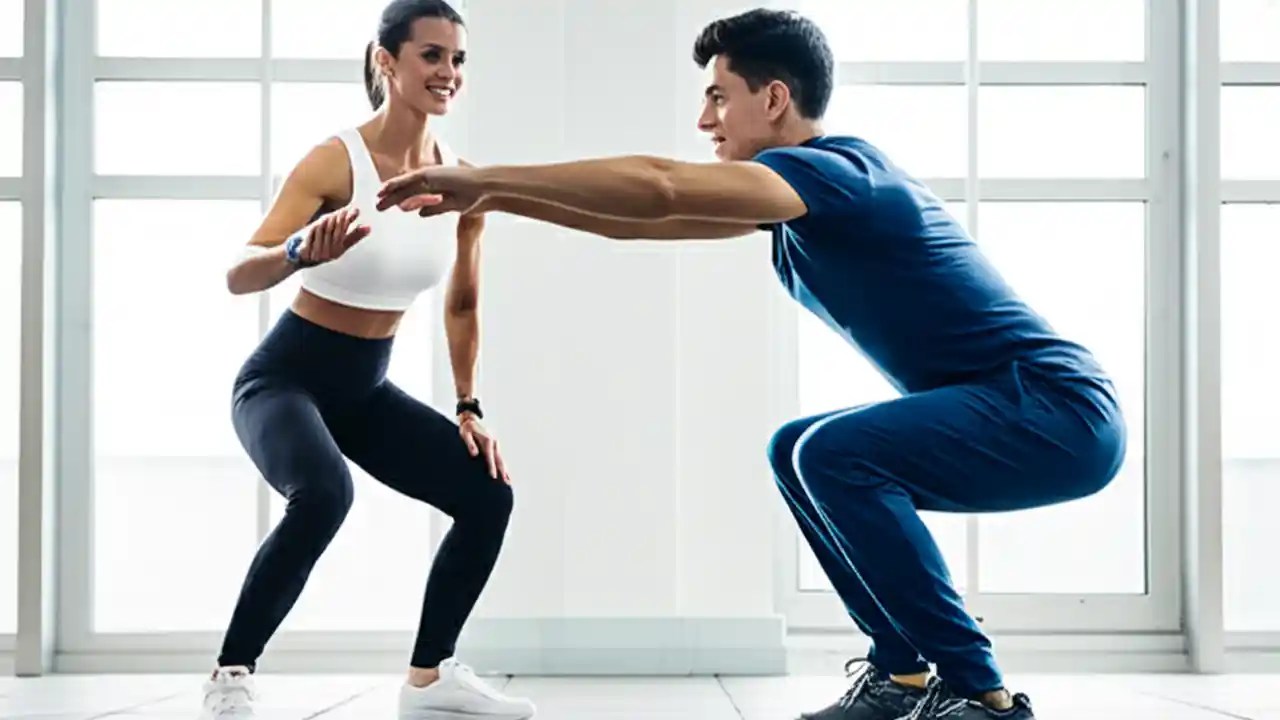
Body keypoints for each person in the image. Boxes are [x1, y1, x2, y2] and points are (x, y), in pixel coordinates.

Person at [375, 8, 1126, 720]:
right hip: (1022, 408)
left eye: (717, 97)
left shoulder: (838, 172)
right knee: (797, 450)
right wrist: (491, 198)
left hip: (1054, 407)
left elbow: (663, 185)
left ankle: (980, 694)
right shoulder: (794, 205)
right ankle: (901, 674)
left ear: (773, 98)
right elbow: (643, 220)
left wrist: (490, 175)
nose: (704, 121)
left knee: (835, 454)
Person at [203, 2, 536, 719]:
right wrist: (297, 252)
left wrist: (469, 406)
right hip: (283, 379)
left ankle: (429, 678)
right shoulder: (336, 159)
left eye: (458, 60)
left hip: (365, 389)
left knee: (487, 494)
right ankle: (232, 676)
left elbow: (463, 306)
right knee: (324, 495)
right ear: (387, 60)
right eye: (431, 56)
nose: (448, 72)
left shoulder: (461, 184)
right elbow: (239, 271)